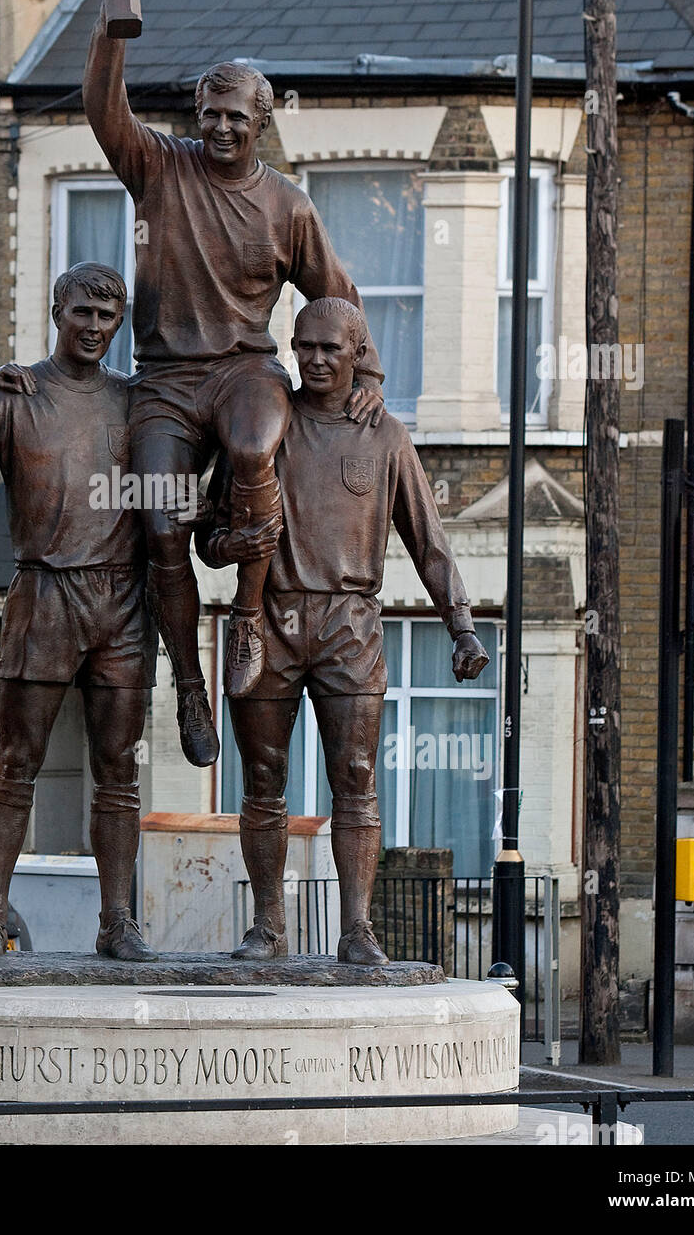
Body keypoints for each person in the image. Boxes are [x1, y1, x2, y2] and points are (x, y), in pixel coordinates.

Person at [84, 0, 386, 768]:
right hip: (165, 380)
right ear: (197, 112)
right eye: (210, 113)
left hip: (245, 368)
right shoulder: (160, 168)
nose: (220, 128)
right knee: (158, 520)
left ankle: (246, 615)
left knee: (257, 446)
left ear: (261, 125)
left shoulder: (288, 204)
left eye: (237, 119)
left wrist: (371, 380)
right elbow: (101, 108)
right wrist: (115, 10)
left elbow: (336, 298)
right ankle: (188, 679)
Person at [195, 297, 490, 964]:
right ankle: (267, 926)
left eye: (333, 349)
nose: (318, 360)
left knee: (355, 774)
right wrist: (232, 543)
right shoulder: (264, 426)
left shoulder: (384, 436)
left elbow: (429, 541)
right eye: (307, 347)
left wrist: (462, 626)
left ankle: (356, 928)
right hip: (269, 618)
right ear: (293, 349)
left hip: (349, 624)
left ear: (358, 355)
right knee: (263, 778)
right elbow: (207, 537)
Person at [0, 263, 159, 961]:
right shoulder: (19, 394)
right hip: (44, 594)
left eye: (107, 316)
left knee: (118, 766)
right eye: (82, 314)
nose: (94, 327)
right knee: (17, 762)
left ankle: (117, 919)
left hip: (123, 600)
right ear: (57, 311)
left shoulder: (136, 401)